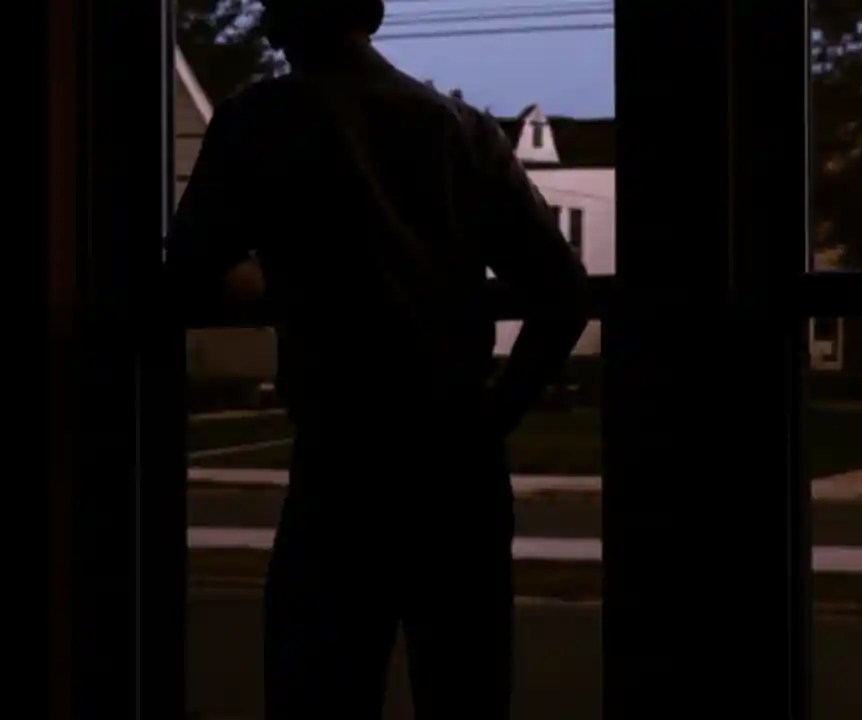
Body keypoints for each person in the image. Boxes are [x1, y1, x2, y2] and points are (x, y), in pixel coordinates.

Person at [166, 0, 591, 716]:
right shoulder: (461, 130)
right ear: (373, 14)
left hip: (340, 464)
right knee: (464, 690)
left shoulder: (260, 121)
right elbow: (561, 293)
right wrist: (492, 419)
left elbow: (191, 274)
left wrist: (277, 273)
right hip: (458, 467)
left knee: (318, 691)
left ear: (281, 23)